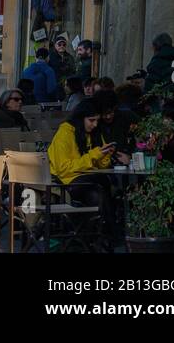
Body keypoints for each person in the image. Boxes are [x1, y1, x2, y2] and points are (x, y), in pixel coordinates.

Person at [47, 100, 121, 242]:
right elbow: (64, 169)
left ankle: (88, 238)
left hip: (87, 181)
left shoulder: (94, 133)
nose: (95, 124)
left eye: (97, 120)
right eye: (91, 120)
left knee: (96, 193)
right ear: (80, 118)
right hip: (64, 182)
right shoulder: (65, 133)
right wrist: (94, 155)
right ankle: (108, 233)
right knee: (101, 184)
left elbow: (101, 166)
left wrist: (105, 154)